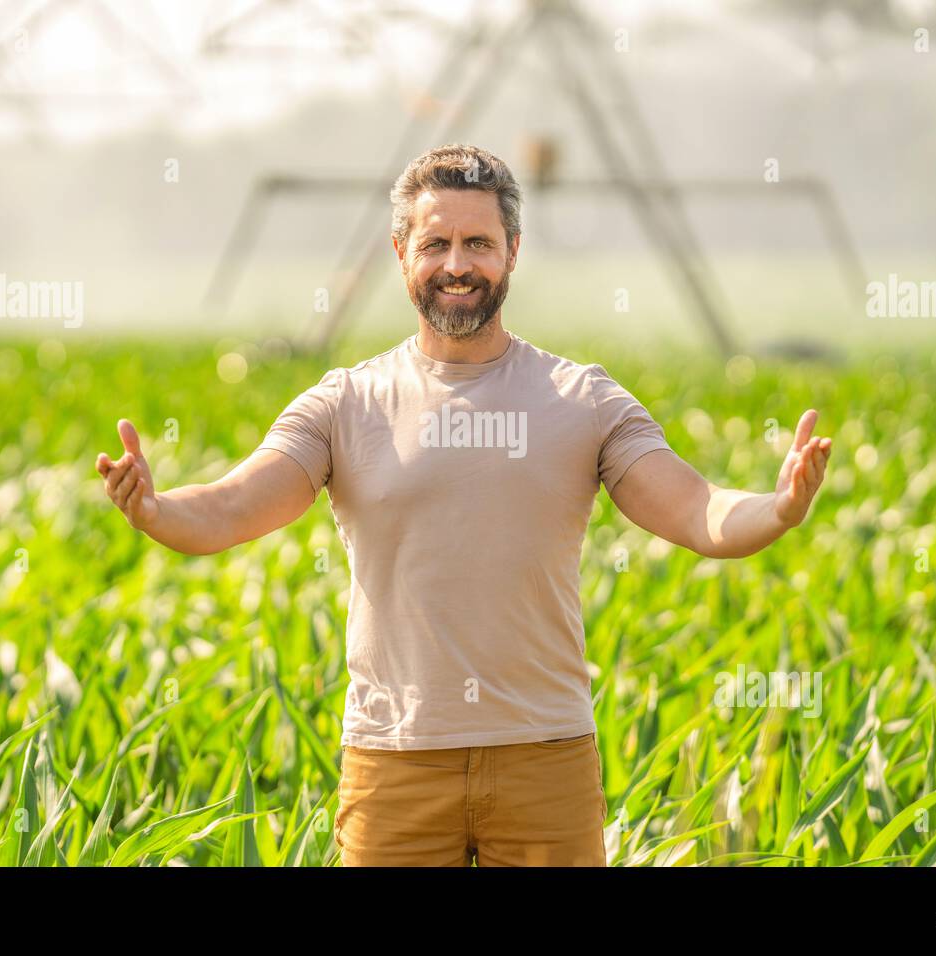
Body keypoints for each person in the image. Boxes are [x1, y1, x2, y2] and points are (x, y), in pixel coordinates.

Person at [96, 143, 832, 866]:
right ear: (400, 253)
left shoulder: (584, 400)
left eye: (478, 243)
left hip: (545, 758)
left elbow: (694, 508)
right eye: (436, 243)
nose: (457, 265)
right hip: (394, 762)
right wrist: (157, 511)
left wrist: (777, 509)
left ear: (512, 250)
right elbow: (230, 507)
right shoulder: (345, 403)